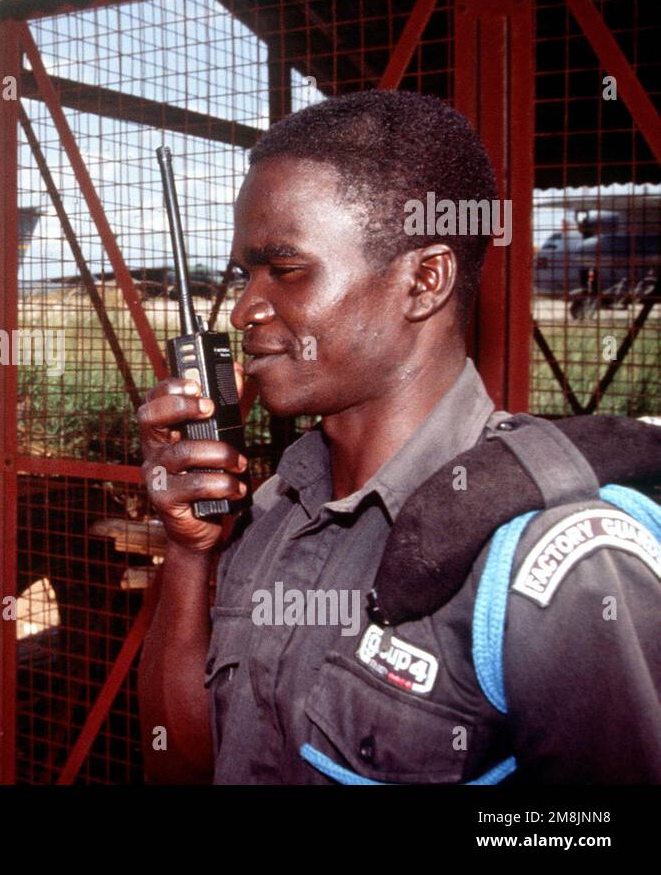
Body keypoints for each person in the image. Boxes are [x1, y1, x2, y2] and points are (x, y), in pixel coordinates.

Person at [137, 89, 661, 784]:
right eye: (245, 274)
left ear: (425, 280)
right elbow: (184, 766)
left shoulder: (548, 558)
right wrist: (187, 554)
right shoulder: (275, 513)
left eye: (285, 269)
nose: (242, 310)